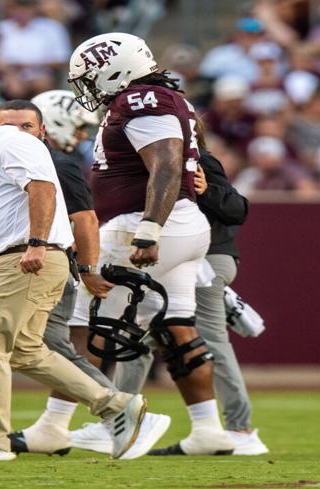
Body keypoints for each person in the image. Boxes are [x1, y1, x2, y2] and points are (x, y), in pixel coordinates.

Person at [0, 96, 163, 461]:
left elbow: (42, 188)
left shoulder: (8, 142)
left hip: (20, 262)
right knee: (26, 351)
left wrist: (37, 244)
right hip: (13, 258)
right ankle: (115, 405)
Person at [67, 32, 233, 455]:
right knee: (178, 328)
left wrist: (148, 229)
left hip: (143, 225)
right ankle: (208, 428)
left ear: (114, 67)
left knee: (80, 323)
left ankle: (81, 423)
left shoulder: (142, 99)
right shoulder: (160, 96)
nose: (88, 88)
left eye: (91, 77)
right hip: (182, 225)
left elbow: (166, 164)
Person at [151, 117, 268, 455]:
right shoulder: (154, 160)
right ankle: (118, 419)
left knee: (211, 336)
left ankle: (241, 427)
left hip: (207, 259)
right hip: (175, 260)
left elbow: (236, 208)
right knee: (142, 337)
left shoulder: (199, 160)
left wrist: (207, 191)